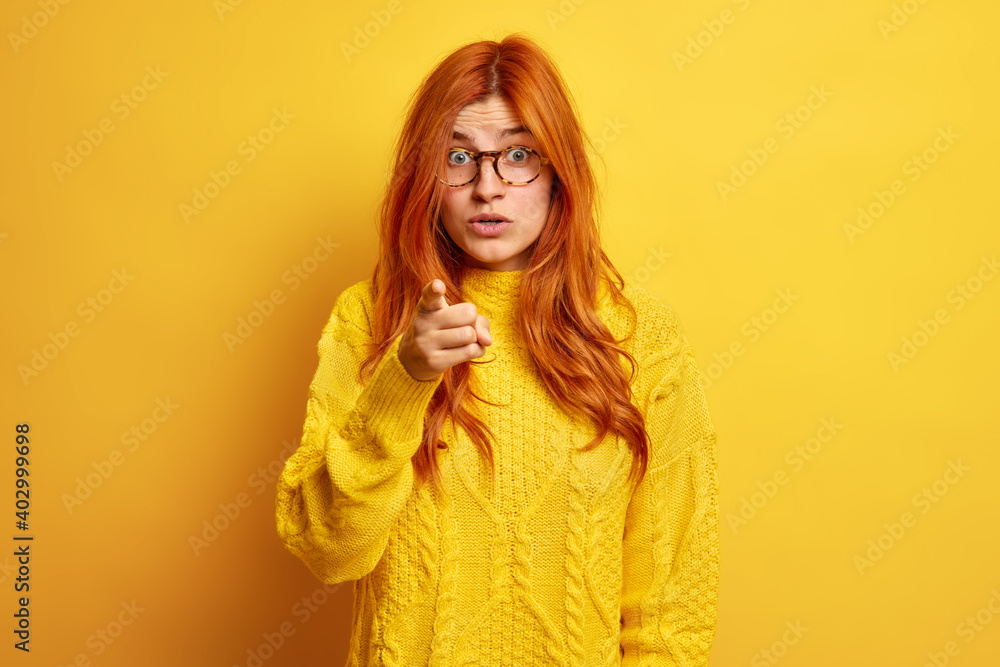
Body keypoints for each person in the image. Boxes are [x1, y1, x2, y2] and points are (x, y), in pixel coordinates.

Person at [275, 32, 720, 667]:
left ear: (560, 176)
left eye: (519, 155)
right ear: (426, 179)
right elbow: (328, 549)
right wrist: (405, 377)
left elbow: (673, 601)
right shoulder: (368, 317)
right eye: (459, 158)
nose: (488, 186)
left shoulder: (639, 335)